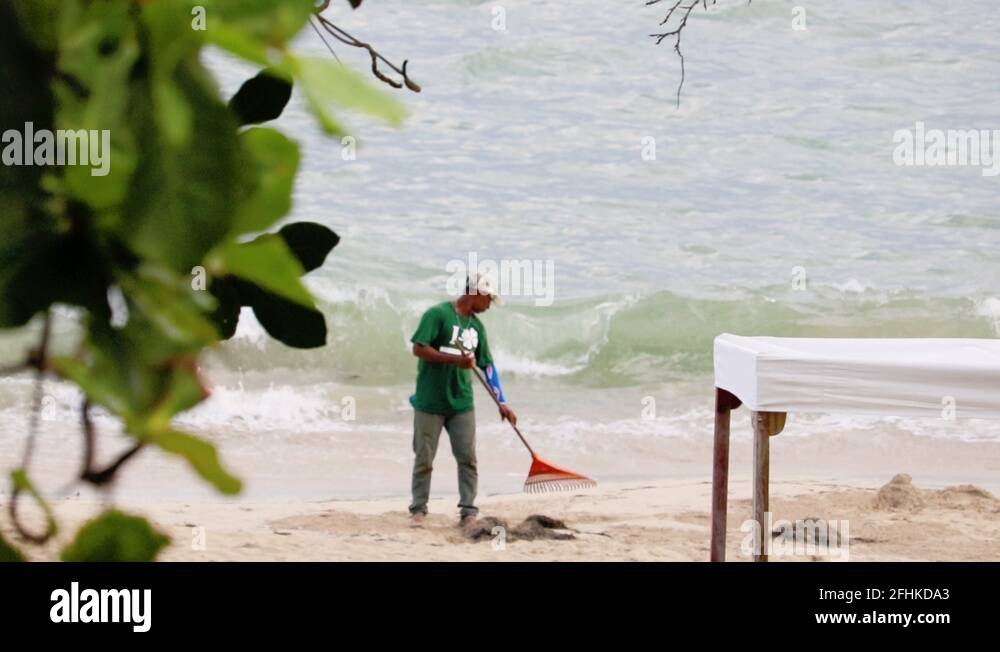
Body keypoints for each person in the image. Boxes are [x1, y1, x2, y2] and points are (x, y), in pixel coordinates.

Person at [407, 273, 517, 526]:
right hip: (429, 402)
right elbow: (419, 348)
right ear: (477, 293)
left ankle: (468, 511)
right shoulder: (437, 315)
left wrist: (501, 402)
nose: (489, 305)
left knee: (467, 458)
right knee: (424, 459)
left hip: (462, 404)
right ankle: (419, 509)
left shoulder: (477, 327)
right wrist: (456, 361)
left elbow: (488, 367)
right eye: (489, 299)